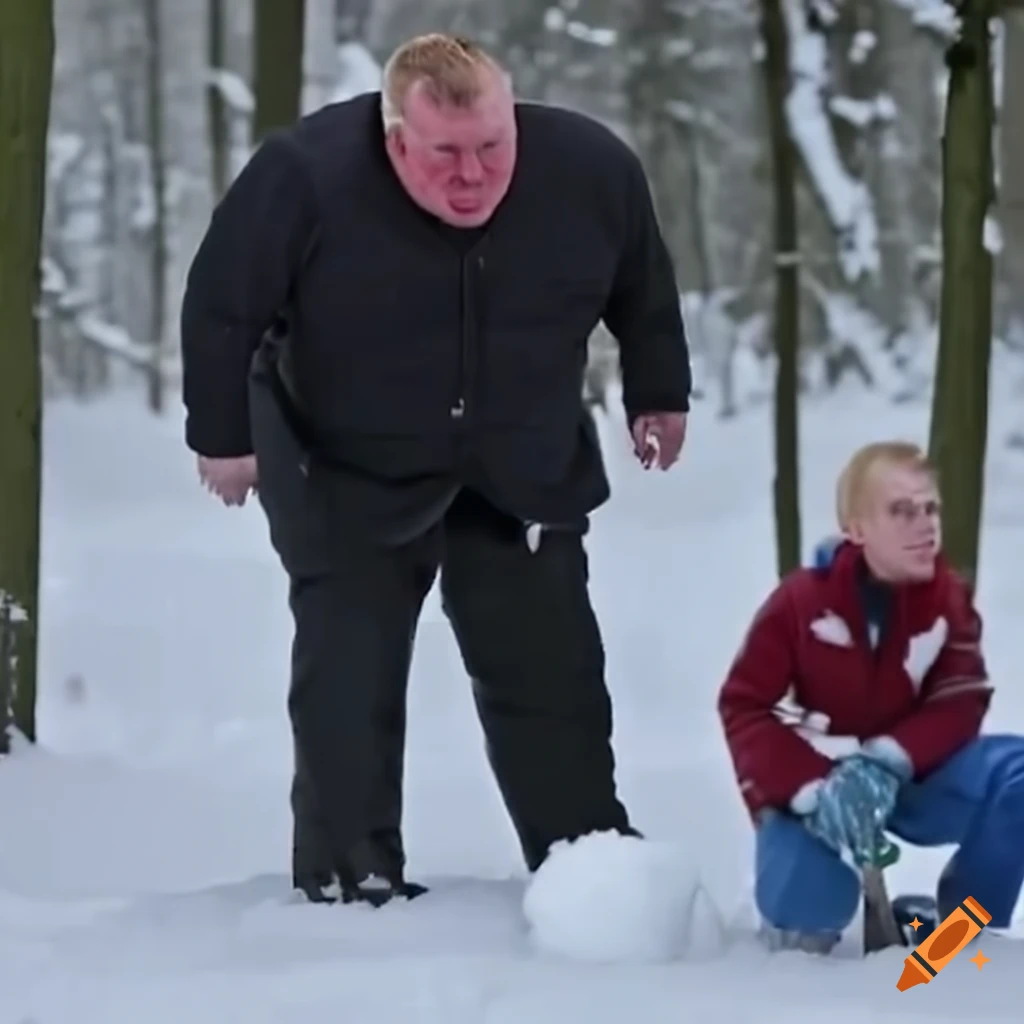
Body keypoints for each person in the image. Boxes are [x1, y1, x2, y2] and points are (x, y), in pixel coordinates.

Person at [179, 33, 691, 905]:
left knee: (550, 665)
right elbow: (223, 304)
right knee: (351, 670)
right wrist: (223, 437)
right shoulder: (303, 177)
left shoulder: (591, 171)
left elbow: (643, 289)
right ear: (394, 138)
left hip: (517, 455)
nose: (472, 174)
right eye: (445, 153)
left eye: (492, 146)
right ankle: (352, 877)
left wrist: (659, 393)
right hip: (343, 459)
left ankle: (588, 867)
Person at [717, 441, 1024, 952]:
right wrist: (813, 788)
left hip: (911, 778)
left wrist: (887, 761)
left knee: (1019, 776)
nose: (925, 525)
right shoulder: (798, 605)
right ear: (856, 530)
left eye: (930, 508)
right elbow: (746, 706)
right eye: (902, 511)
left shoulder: (948, 600)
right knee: (807, 916)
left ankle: (963, 932)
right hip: (815, 790)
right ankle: (806, 934)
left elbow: (961, 698)